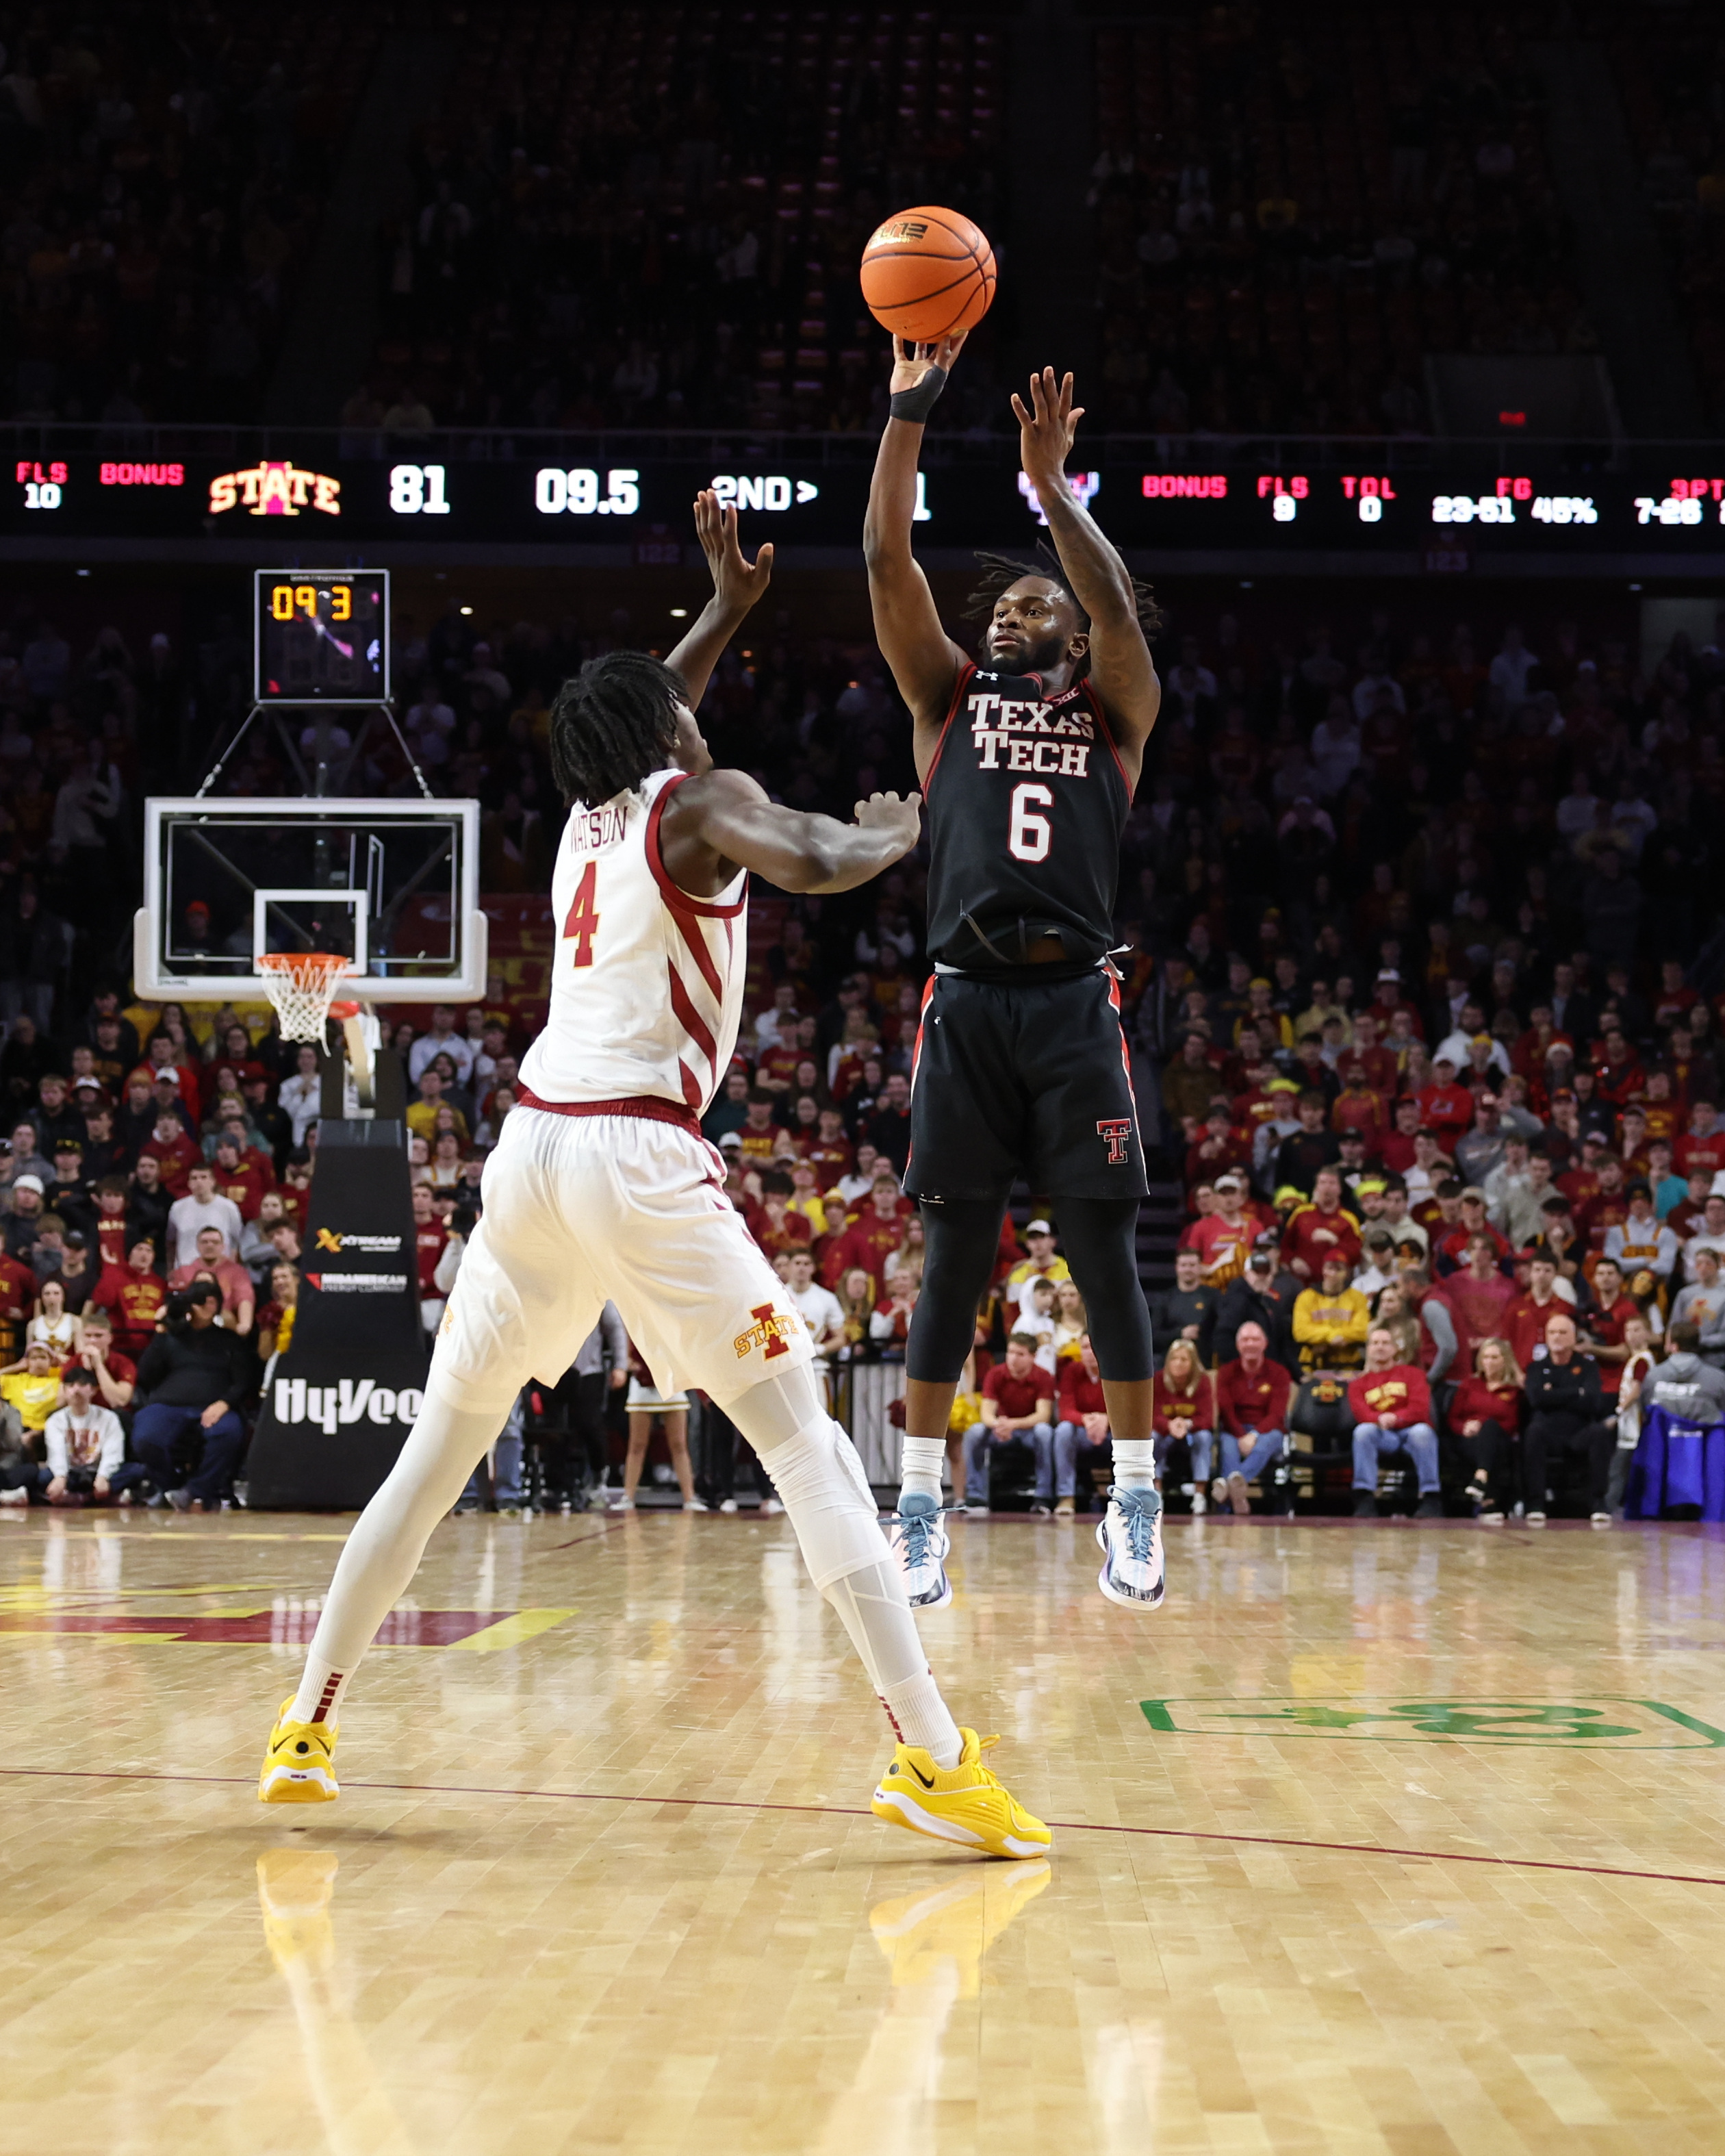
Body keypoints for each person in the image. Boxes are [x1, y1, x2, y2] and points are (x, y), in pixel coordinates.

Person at [259, 493, 1047, 1860]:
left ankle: (306, 1721)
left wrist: (728, 609)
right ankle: (932, 1750)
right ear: (665, 741)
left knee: (432, 1462)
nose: (694, 707)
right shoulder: (706, 799)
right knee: (805, 1441)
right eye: (678, 703)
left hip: (531, 1157)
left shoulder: (590, 813)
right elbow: (805, 853)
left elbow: (652, 700)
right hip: (634, 1152)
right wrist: (906, 831)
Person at [867, 336, 1164, 1614]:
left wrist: (1057, 493)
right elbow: (888, 562)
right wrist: (907, 414)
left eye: (1030, 604)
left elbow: (1110, 608)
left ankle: (1138, 1496)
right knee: (954, 1259)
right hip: (968, 999)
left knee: (1104, 1257)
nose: (1009, 612)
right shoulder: (945, 699)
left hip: (1072, 1004)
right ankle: (921, 1505)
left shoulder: (1117, 704)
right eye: (1003, 605)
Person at [131, 1280, 252, 1510]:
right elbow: (146, 1374)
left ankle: (195, 1490)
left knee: (228, 1432)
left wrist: (225, 1403)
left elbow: (243, 1381)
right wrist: (161, 1331)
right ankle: (168, 1488)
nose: (204, 1306)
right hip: (169, 1404)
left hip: (214, 1404)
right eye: (198, 1301)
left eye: (209, 1301)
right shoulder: (170, 1337)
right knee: (146, 1434)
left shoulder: (231, 1340)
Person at [1522, 1310, 1613, 1526]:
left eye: (1563, 1332)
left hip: (1579, 1433)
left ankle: (1598, 1502)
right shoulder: (1536, 1368)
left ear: (1573, 1338)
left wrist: (1552, 1393)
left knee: (1600, 1433)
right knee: (1533, 1432)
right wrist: (1575, 1392)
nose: (1556, 1337)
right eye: (1552, 1332)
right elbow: (1535, 1399)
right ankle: (1535, 1503)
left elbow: (1593, 1402)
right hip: (1548, 1433)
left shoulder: (1588, 1367)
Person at [1348, 1325, 1443, 1519]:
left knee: (1423, 1432)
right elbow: (1361, 1413)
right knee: (1363, 1432)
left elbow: (1420, 1407)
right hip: (1383, 1435)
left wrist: (1397, 1418)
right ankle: (1365, 1497)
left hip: (1411, 1433)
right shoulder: (1358, 1384)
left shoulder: (1413, 1374)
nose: (1380, 1347)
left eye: (1385, 1343)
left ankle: (1431, 1496)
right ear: (1368, 1349)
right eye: (1375, 1343)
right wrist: (1378, 1418)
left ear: (1394, 1349)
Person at [965, 1332, 1055, 1517]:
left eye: (1020, 1354)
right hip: (1001, 1430)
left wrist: (1012, 1424)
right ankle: (976, 1497)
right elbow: (986, 1414)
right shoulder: (996, 1374)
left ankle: (1043, 1498)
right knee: (975, 1432)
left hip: (1028, 1432)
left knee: (1044, 1432)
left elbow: (1043, 1415)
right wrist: (999, 1425)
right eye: (1011, 1352)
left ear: (1033, 1356)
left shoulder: (1044, 1377)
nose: (1013, 1359)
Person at [1214, 1321, 1291, 1514]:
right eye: (1245, 1340)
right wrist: (1241, 1435)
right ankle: (1235, 1495)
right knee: (1228, 1446)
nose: (1250, 1344)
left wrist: (1254, 1435)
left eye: (1255, 1339)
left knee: (1270, 1439)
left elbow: (1277, 1414)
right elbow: (1226, 1410)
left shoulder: (1279, 1373)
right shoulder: (1225, 1373)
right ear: (1238, 1345)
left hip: (1267, 1432)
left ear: (1264, 1344)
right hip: (1234, 1431)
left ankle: (1228, 1491)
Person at [41, 1364, 144, 1506]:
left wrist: (103, 1477)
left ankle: (77, 1498)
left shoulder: (108, 1417)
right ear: (64, 1390)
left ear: (94, 1390)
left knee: (137, 1470)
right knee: (43, 1477)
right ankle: (103, 1498)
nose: (76, 1390)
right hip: (71, 1473)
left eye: (82, 1385)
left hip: (98, 1472)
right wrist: (60, 1476)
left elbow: (113, 1451)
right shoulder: (55, 1420)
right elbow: (56, 1451)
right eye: (70, 1386)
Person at [1448, 1336, 1524, 1523]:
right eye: (1485, 1357)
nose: (1489, 1362)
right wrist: (1464, 1427)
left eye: (1495, 1358)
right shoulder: (1469, 1385)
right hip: (1469, 1440)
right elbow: (1453, 1418)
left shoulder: (1513, 1390)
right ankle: (1489, 1501)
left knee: (1491, 1429)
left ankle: (1482, 1478)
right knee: (1485, 1444)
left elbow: (1513, 1423)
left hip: (1501, 1440)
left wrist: (1482, 1425)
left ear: (1505, 1360)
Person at [1151, 1337, 1217, 1512]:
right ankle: (1156, 1492)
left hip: (1190, 1435)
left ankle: (1199, 1495)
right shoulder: (1158, 1380)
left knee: (1205, 1437)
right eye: (1174, 1359)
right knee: (1153, 1437)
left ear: (1193, 1363)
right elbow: (1153, 1415)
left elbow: (1208, 1418)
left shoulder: (1202, 1382)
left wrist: (1187, 1424)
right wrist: (1169, 1425)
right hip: (1166, 1434)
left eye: (1184, 1359)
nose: (1178, 1363)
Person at [1054, 1331, 1112, 1517]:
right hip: (1082, 1432)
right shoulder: (1072, 1371)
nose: (1090, 1353)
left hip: (1112, 1434)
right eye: (1085, 1348)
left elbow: (1129, 1409)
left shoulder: (1115, 1372)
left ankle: (1126, 1498)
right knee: (1063, 1430)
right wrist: (1087, 1420)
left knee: (1134, 1433)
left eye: (1094, 1348)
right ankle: (1066, 1497)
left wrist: (1107, 1420)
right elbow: (1065, 1410)